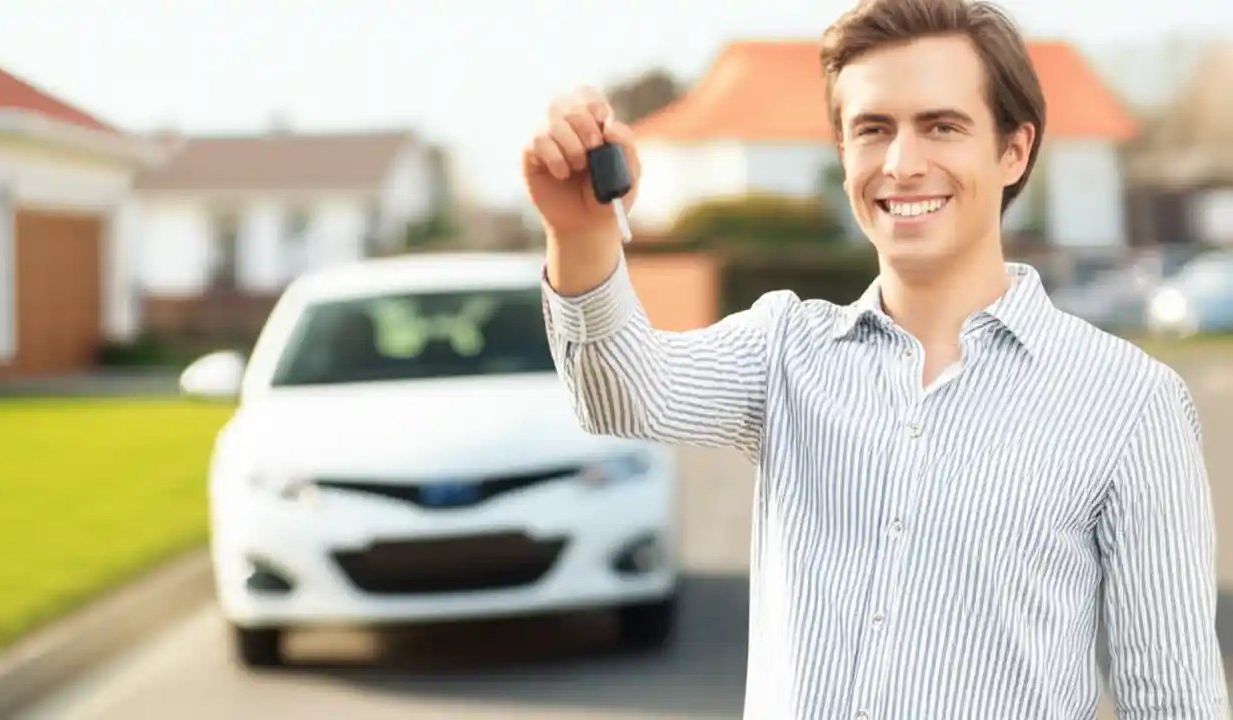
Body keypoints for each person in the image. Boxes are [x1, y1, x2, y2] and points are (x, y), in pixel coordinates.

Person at [522, 0, 1229, 717]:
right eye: (873, 130)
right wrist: (581, 235)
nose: (902, 163)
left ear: (1014, 150)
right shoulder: (782, 351)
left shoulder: (1130, 403)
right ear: (843, 154)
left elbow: (1173, 698)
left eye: (941, 126)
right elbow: (620, 394)